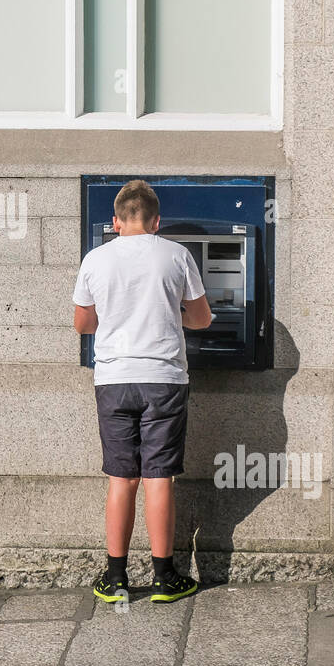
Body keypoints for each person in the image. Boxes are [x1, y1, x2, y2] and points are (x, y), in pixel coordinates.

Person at [72, 179, 212, 604]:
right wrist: (172, 316)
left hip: (113, 380)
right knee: (158, 478)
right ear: (156, 222)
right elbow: (202, 318)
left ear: (115, 221)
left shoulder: (95, 259)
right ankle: (164, 579)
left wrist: (112, 321)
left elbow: (82, 324)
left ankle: (115, 580)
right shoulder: (176, 254)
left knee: (121, 478)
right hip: (164, 379)